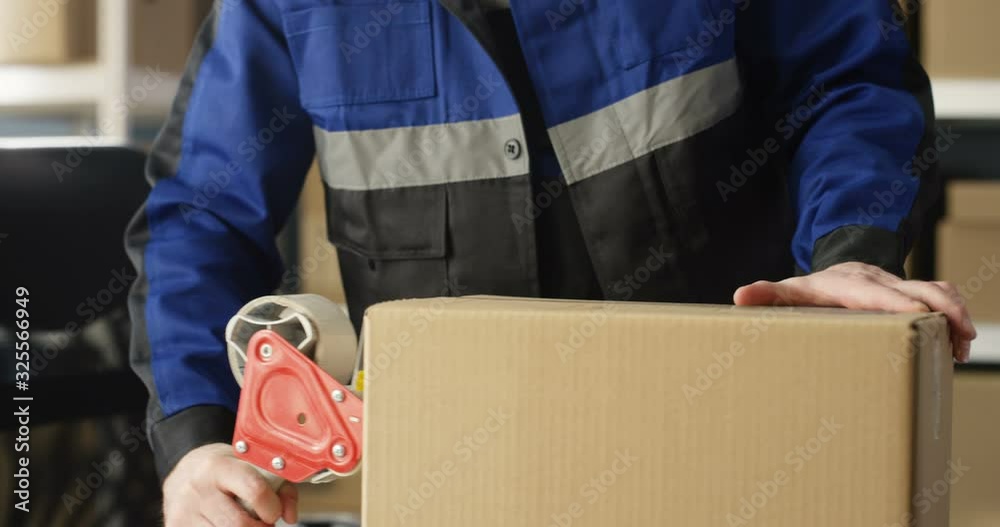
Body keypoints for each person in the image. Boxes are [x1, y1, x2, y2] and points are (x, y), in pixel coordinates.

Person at [126, 1, 976, 525]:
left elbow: (848, 76)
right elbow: (200, 214)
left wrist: (851, 249)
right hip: (461, 486)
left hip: (737, 460)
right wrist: (198, 442)